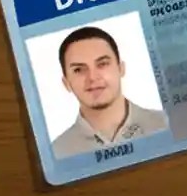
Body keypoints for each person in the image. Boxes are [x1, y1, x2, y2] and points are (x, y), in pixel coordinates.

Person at [51, 26, 168, 158]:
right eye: (78, 70)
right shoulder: (57, 153)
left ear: (121, 68)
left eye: (102, 64)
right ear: (66, 83)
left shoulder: (168, 125)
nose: (93, 77)